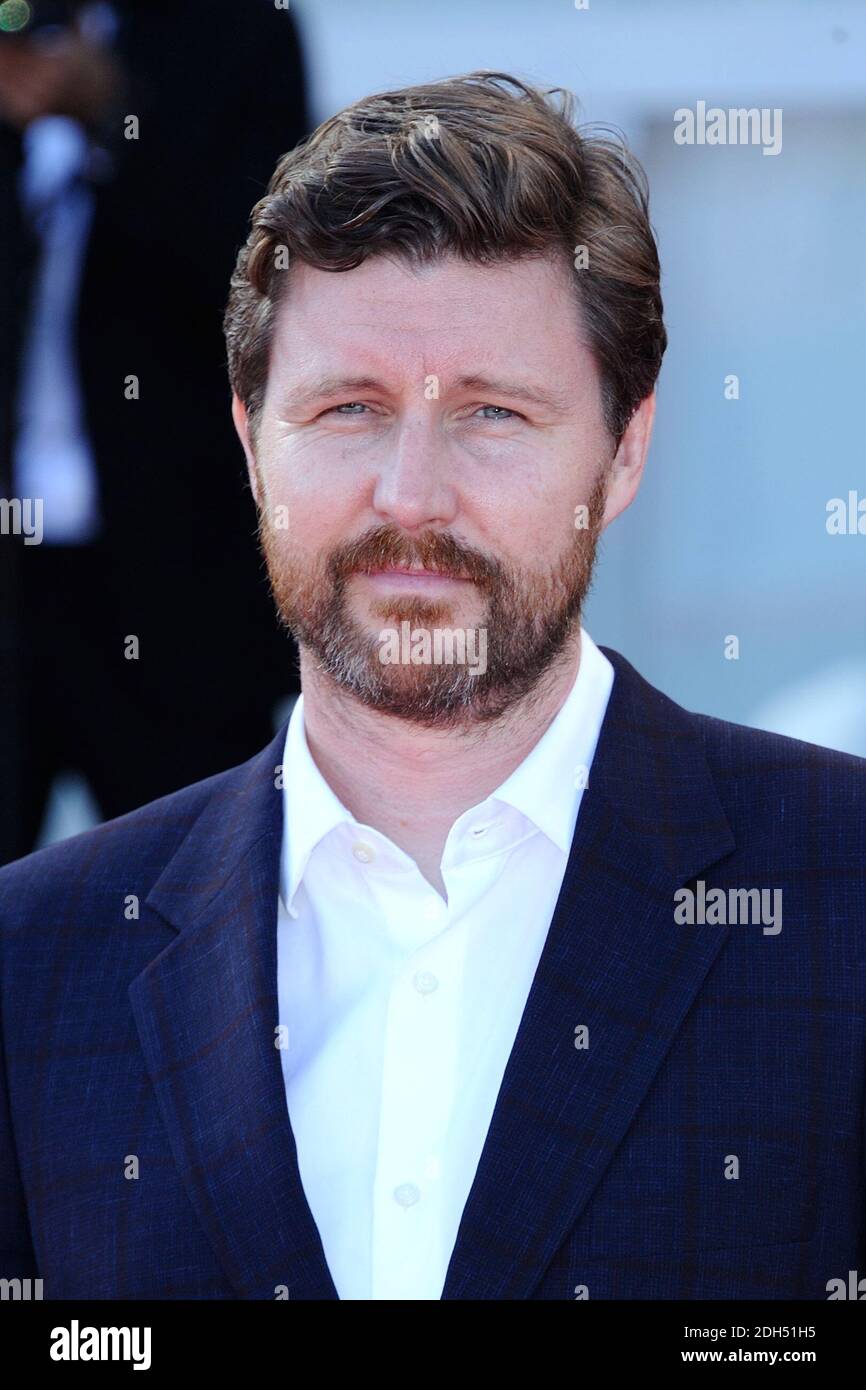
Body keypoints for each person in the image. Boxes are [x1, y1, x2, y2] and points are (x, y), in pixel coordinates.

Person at [1, 72, 864, 1302]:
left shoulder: (841, 894)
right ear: (252, 447)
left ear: (622, 452)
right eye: (348, 408)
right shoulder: (33, 962)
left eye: (493, 412)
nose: (411, 495)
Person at [0, 0, 309, 863]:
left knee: (191, 896)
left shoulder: (235, 30)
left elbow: (267, 271)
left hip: (173, 581)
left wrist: (113, 118)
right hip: (16, 572)